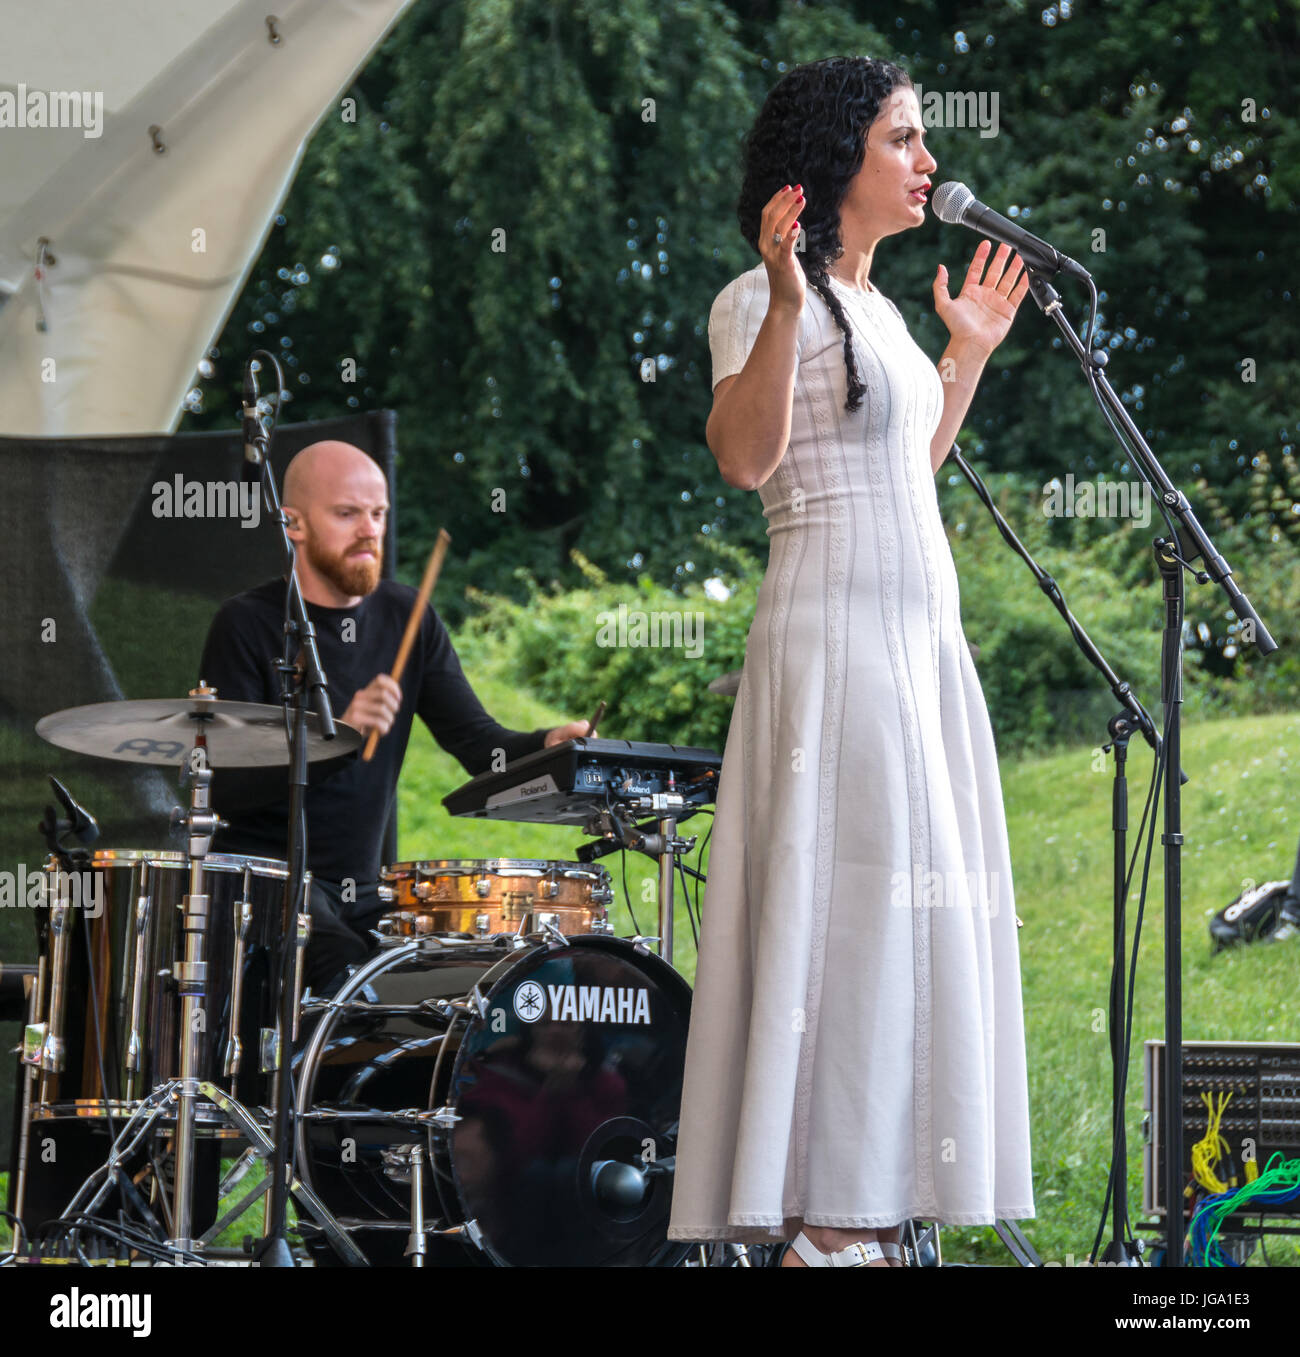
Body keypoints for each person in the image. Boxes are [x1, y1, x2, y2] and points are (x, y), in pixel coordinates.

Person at [665, 56, 1035, 1268]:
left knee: (905, 922)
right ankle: (827, 1227)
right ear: (836, 161)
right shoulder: (752, 296)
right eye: (903, 139)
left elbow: (899, 470)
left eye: (923, 140)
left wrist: (967, 352)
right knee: (853, 919)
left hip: (916, 645)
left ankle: (865, 1213)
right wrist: (780, 301)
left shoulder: (881, 310)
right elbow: (743, 458)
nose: (927, 162)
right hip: (832, 642)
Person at [198, 440, 591, 991]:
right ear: (295, 524)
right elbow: (227, 788)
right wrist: (339, 737)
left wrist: (550, 741)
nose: (369, 530)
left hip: (365, 892)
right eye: (347, 513)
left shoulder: (408, 615)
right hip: (264, 882)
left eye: (378, 514)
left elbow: (480, 746)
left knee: (454, 985)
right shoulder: (246, 624)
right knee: (341, 971)